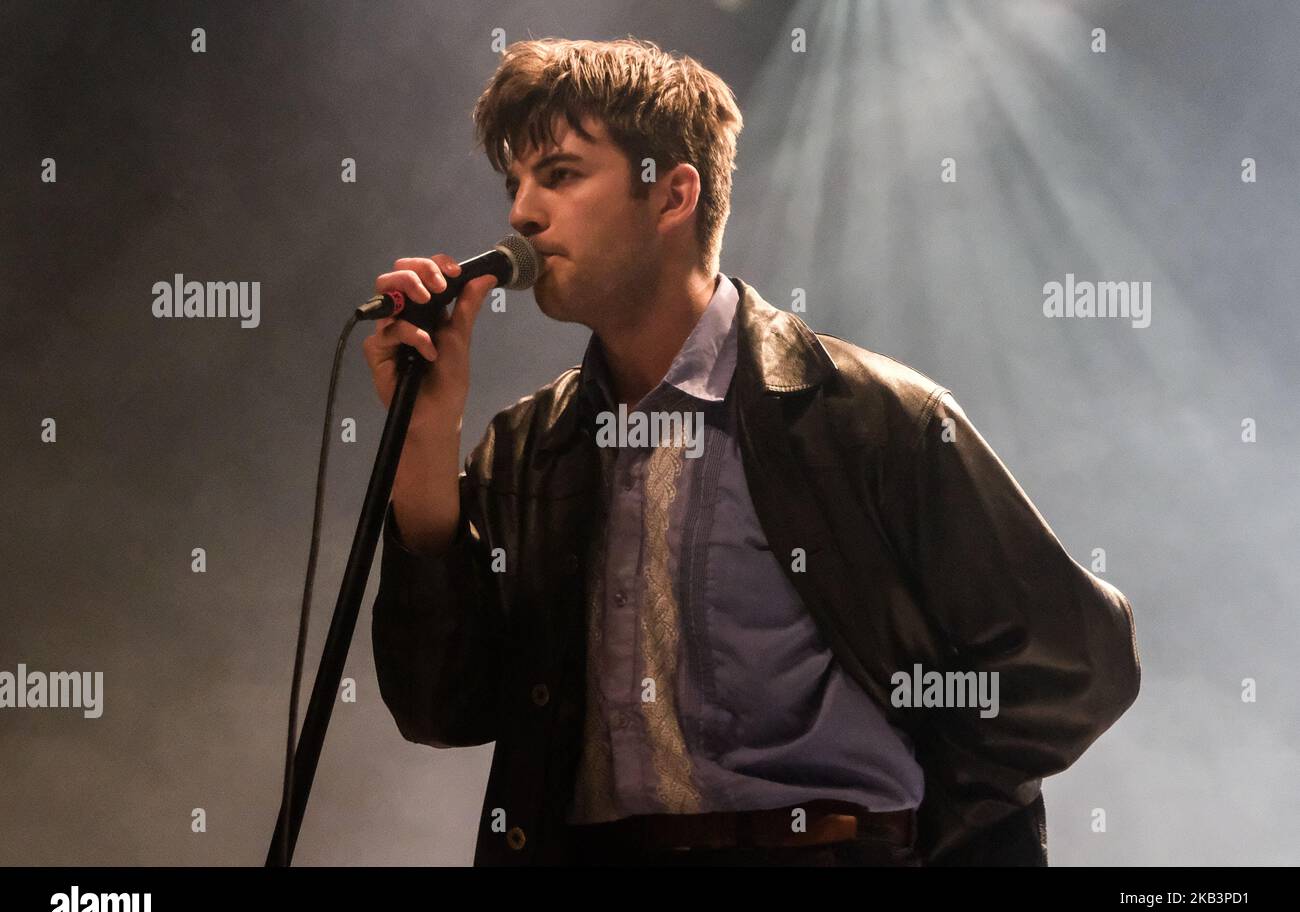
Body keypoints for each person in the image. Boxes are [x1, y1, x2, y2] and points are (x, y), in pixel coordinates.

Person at [362, 37, 1140, 867]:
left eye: (558, 174)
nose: (520, 211)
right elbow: (441, 710)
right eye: (514, 183)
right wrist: (424, 442)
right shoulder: (525, 448)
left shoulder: (869, 418)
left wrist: (919, 825)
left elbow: (1077, 662)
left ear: (672, 195)